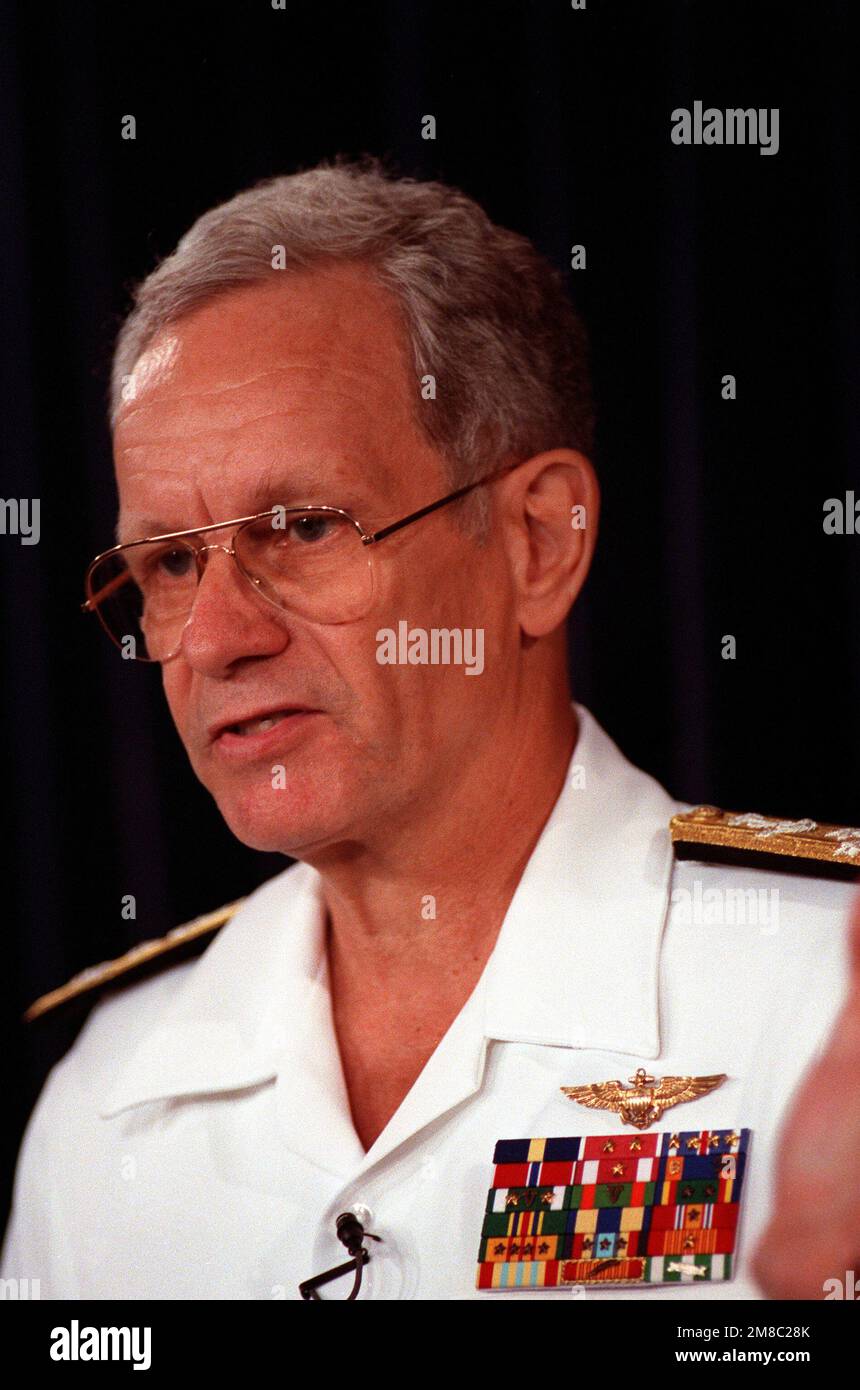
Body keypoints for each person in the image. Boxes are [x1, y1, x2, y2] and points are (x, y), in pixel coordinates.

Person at [2, 159, 857, 1300]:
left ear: (536, 543)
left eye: (301, 526)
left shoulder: (819, 999)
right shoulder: (107, 1093)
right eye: (166, 562)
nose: (212, 638)